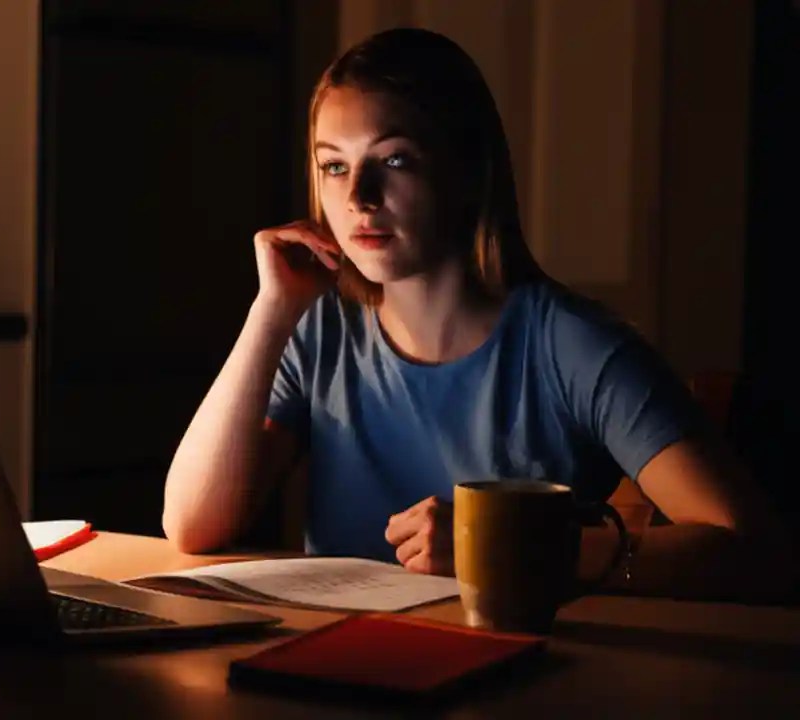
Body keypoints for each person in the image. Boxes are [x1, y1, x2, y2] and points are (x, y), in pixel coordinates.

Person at [162, 28, 793, 601]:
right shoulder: (321, 330)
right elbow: (192, 524)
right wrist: (270, 312)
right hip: (336, 665)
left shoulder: (573, 345)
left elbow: (753, 550)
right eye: (334, 166)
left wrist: (508, 547)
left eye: (395, 159)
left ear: (467, 169)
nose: (357, 197)